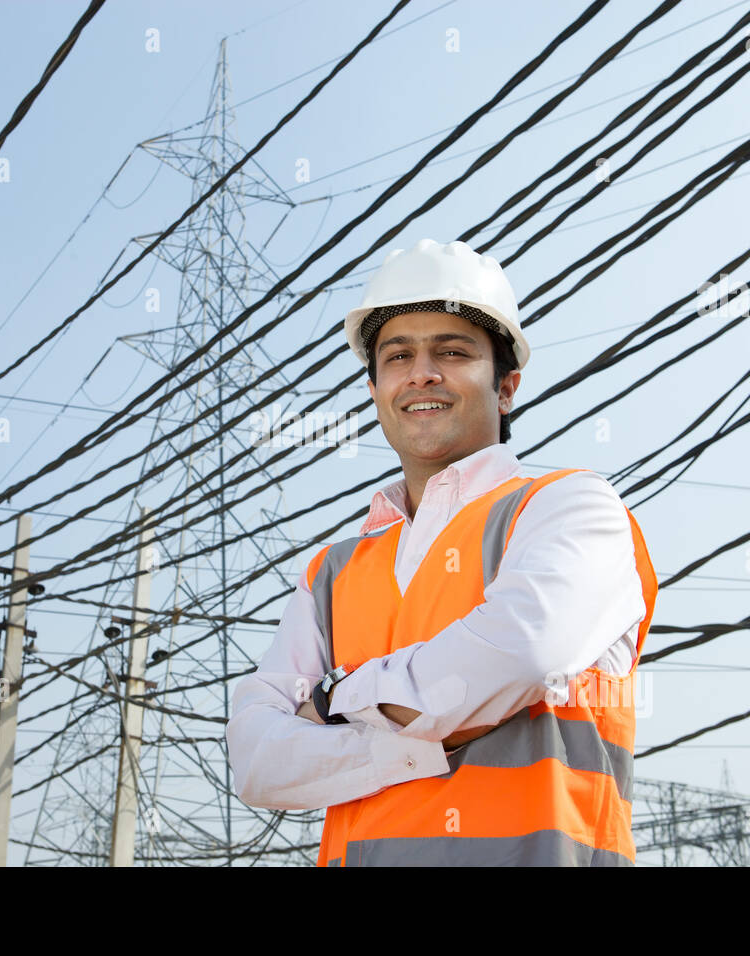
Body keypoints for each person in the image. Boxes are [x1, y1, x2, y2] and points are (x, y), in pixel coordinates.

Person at [225, 238, 658, 866]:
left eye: (452, 352)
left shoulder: (569, 507)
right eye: (397, 356)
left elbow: (524, 653)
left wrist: (329, 701)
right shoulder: (331, 573)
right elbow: (259, 762)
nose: (421, 372)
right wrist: (418, 739)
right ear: (375, 389)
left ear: (506, 388)